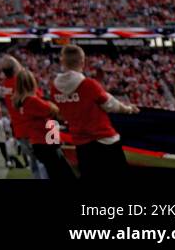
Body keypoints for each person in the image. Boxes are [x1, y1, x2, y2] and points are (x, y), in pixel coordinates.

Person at [52, 44, 139, 178]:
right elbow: (111, 105)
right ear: (82, 61)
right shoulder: (88, 84)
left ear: (62, 61)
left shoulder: (55, 88)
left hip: (81, 142)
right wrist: (128, 109)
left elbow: (61, 113)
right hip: (104, 139)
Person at [13, 67, 75, 179]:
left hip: (42, 142)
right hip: (46, 142)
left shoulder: (22, 102)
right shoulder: (32, 101)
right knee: (63, 174)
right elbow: (53, 110)